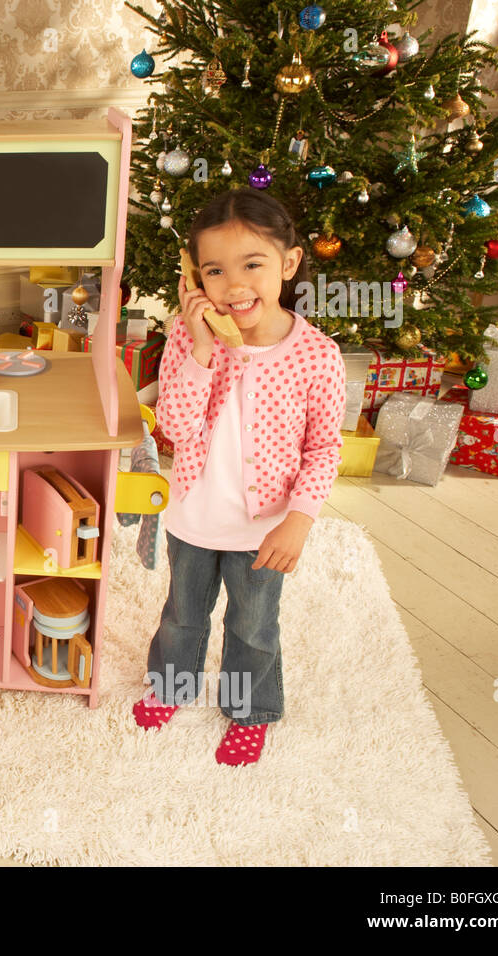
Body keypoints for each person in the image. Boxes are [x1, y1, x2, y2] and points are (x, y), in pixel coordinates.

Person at [134, 188, 345, 765]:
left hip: (263, 528)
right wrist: (203, 348)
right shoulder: (188, 337)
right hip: (194, 516)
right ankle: (172, 685)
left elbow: (324, 449)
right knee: (183, 615)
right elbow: (174, 426)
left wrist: (299, 522)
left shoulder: (317, 356)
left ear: (289, 263)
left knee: (252, 626)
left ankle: (250, 710)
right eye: (215, 271)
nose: (234, 286)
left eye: (252, 265)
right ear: (194, 277)